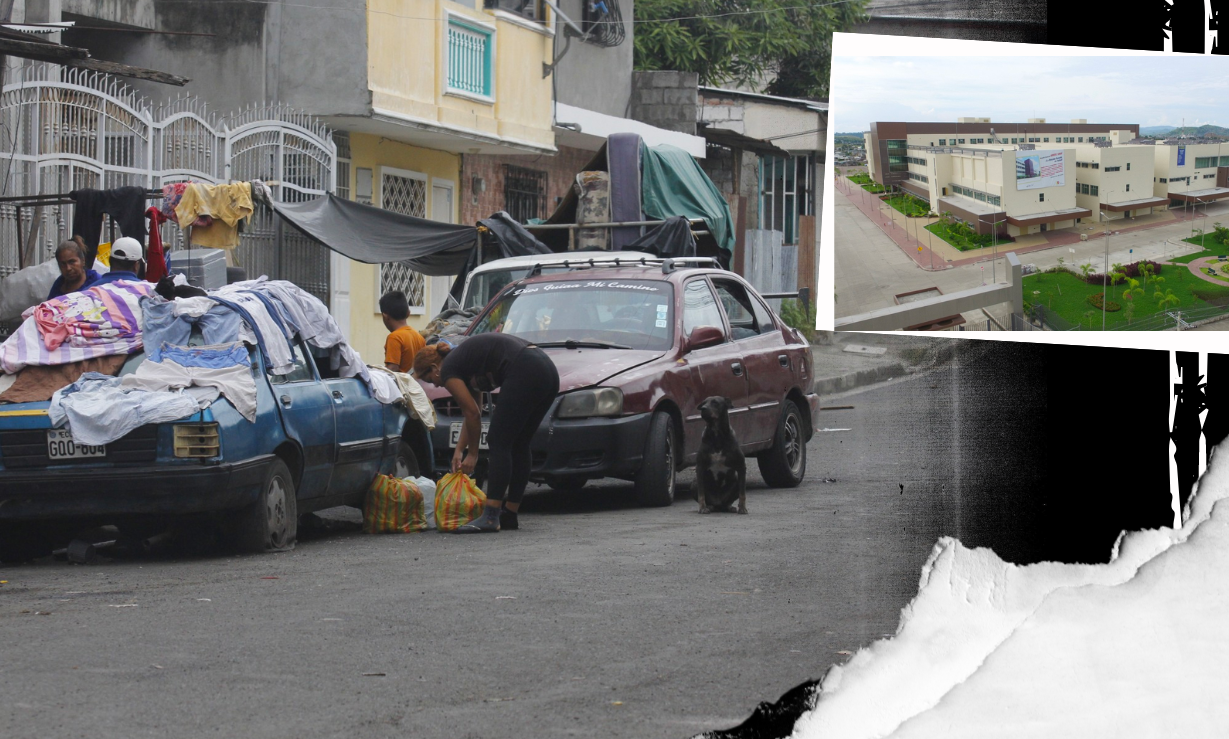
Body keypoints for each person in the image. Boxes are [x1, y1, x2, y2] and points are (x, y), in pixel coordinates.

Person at [414, 333, 559, 532]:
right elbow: (473, 411)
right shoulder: (464, 362)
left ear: (434, 368)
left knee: (498, 441)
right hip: (546, 370)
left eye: (429, 379)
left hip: (525, 369)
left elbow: (472, 413)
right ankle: (509, 514)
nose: (436, 385)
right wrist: (459, 450)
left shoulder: (449, 369)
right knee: (519, 442)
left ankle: (491, 516)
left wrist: (473, 454)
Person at [380, 290, 425, 373]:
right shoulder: (418, 336)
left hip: (401, 384)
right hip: (415, 384)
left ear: (385, 316)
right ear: (408, 313)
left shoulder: (394, 337)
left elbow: (393, 369)